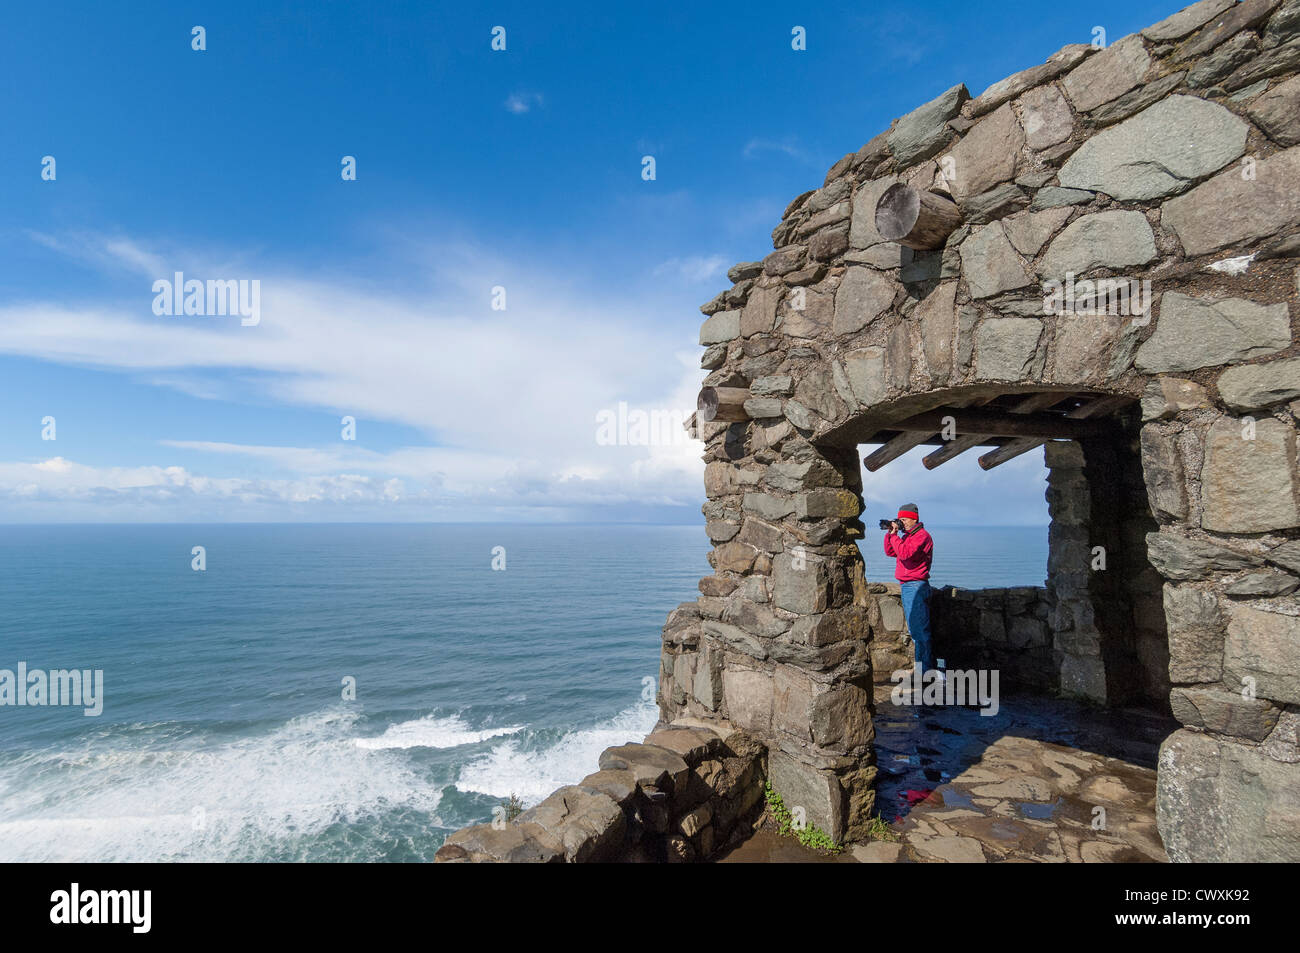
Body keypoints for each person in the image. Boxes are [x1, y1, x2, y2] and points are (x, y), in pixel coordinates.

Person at [882, 503, 938, 679]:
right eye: (901, 519)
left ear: (914, 519)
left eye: (904, 519)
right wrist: (891, 534)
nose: (902, 522)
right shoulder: (908, 536)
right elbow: (891, 551)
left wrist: (897, 537)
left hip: (916, 586)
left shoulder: (921, 536)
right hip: (908, 586)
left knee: (920, 632)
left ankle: (925, 671)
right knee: (916, 631)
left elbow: (905, 553)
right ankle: (921, 669)